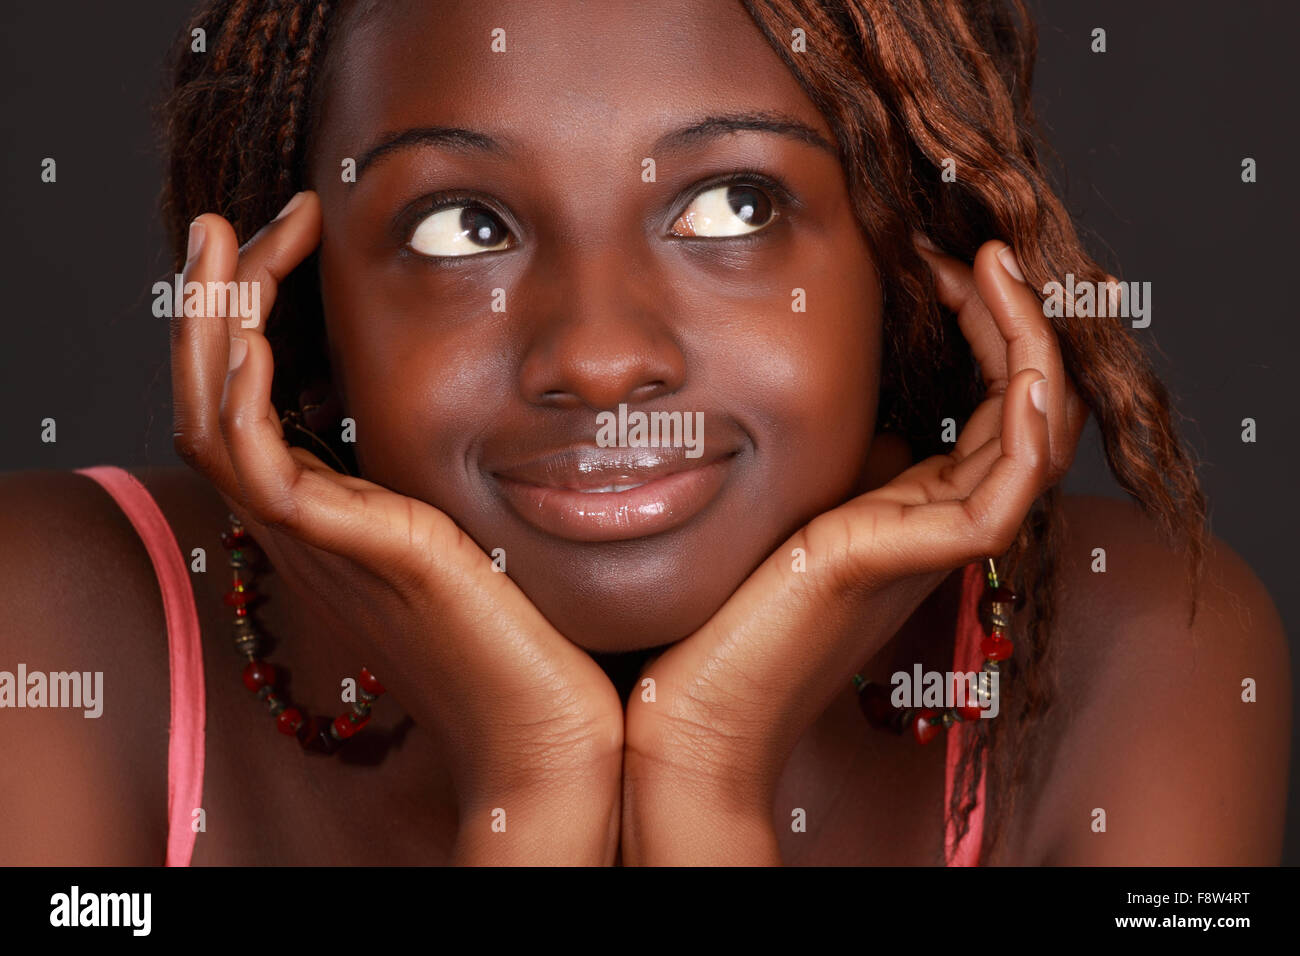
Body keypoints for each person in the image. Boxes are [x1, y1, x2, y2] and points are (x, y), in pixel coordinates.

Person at [0, 0, 1288, 866]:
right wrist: (537, 782)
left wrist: (710, 783)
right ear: (304, 293)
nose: (600, 356)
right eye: (463, 227)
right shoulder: (60, 631)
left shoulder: (1131, 659)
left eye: (730, 206)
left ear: (904, 260)